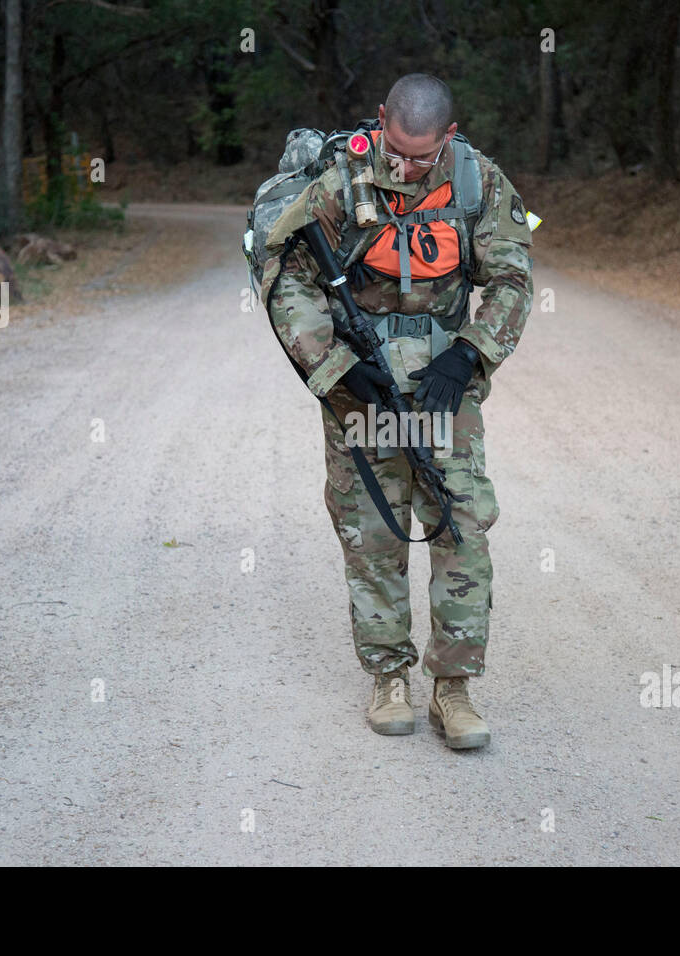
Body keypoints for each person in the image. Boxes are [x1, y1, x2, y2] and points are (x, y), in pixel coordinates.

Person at [261, 73, 533, 750]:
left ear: (451, 132)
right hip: (362, 388)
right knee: (372, 534)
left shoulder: (479, 184)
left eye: (420, 155)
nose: (404, 167)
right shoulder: (340, 182)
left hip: (446, 390)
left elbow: (512, 279)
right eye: (396, 149)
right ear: (381, 119)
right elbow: (286, 276)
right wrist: (335, 367)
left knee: (461, 526)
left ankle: (455, 688)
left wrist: (470, 353)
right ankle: (387, 676)